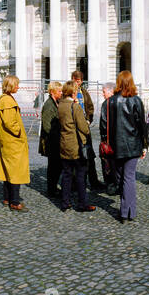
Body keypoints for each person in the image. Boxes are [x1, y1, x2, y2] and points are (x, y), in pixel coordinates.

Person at [108, 71, 148, 222]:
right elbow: (141, 125)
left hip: (117, 145)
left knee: (122, 177)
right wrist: (144, 145)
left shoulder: (112, 101)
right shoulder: (136, 100)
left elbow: (109, 125)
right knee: (129, 178)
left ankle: (126, 212)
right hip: (132, 144)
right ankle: (128, 212)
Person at [0, 75, 30, 211]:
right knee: (15, 171)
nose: (18, 87)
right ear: (10, 86)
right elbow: (10, 123)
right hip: (13, 143)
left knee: (8, 170)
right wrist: (19, 132)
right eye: (16, 85)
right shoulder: (7, 101)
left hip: (9, 142)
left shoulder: (6, 99)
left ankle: (7, 198)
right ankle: (14, 201)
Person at [57, 82, 95, 213]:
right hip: (76, 146)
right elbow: (83, 127)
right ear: (72, 92)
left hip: (64, 144)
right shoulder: (75, 107)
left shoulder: (60, 105)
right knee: (80, 174)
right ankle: (82, 203)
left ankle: (65, 202)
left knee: (67, 174)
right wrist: (87, 123)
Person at [68, 71, 102, 190]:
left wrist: (88, 120)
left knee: (89, 155)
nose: (78, 83)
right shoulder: (68, 92)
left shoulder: (84, 92)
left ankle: (93, 180)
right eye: (76, 80)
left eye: (80, 81)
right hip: (73, 129)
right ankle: (74, 183)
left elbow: (90, 107)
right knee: (74, 155)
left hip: (85, 127)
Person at [38, 81, 63, 200]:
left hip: (56, 140)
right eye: (59, 91)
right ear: (53, 92)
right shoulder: (49, 105)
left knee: (56, 166)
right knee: (53, 167)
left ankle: (53, 188)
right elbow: (47, 126)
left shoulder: (56, 103)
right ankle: (51, 190)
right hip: (51, 141)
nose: (61, 93)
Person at [98, 82, 119, 194]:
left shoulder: (106, 104)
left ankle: (110, 184)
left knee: (107, 163)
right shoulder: (119, 101)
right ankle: (117, 183)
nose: (103, 94)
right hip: (118, 138)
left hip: (108, 139)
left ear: (111, 91)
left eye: (104, 92)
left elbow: (103, 122)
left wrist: (104, 139)